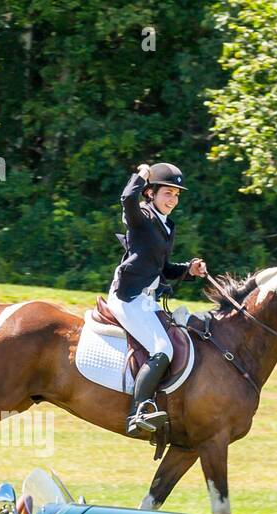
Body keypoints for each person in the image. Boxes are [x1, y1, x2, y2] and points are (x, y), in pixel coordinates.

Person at [107, 161, 208, 436]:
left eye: (176, 195)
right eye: (167, 193)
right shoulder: (141, 215)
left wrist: (189, 269)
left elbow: (163, 268)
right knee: (162, 348)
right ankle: (137, 413)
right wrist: (141, 174)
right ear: (150, 193)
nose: (173, 200)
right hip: (128, 296)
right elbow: (127, 197)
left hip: (147, 300)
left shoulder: (166, 226)